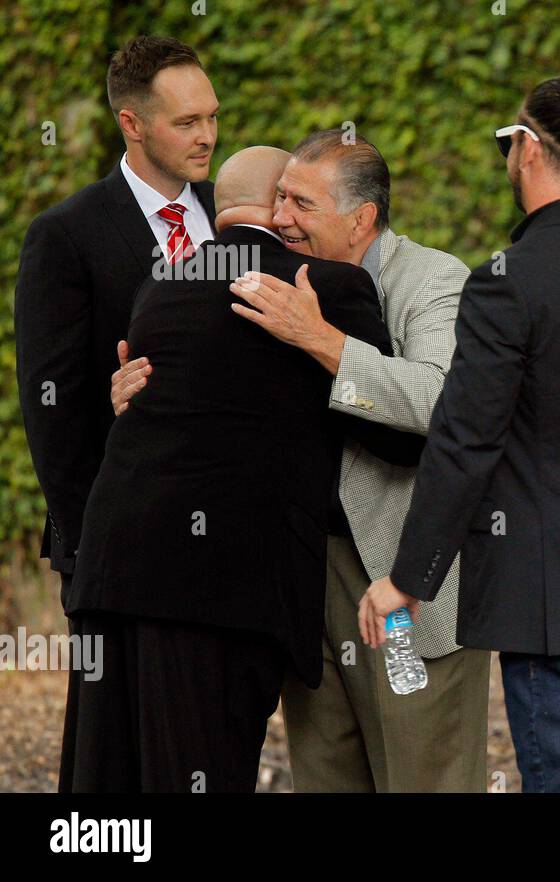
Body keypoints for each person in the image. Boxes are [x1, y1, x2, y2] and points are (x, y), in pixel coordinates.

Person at [116, 130, 490, 792]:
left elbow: (439, 403)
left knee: (423, 774)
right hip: (302, 578)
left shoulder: (434, 280)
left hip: (400, 582)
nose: (278, 217)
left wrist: (322, 341)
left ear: (361, 219)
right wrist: (139, 397)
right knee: (324, 777)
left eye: (300, 204)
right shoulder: (277, 277)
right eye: (279, 196)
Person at [358, 76, 560, 793]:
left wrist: (407, 579)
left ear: (530, 150)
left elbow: (465, 439)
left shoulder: (509, 280)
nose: (507, 159)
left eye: (508, 144)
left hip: (554, 603)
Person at [60, 146, 420, 792]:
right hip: (220, 591)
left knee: (103, 785)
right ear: (278, 199)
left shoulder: (159, 286)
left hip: (110, 567)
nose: (292, 213)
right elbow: (398, 439)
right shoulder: (329, 288)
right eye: (292, 197)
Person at [16, 35, 217, 611]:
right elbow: (51, 405)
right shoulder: (66, 234)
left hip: (232, 537)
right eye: (186, 122)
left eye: (211, 117)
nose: (207, 136)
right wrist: (88, 541)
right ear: (132, 123)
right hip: (120, 538)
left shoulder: (230, 214)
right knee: (115, 703)